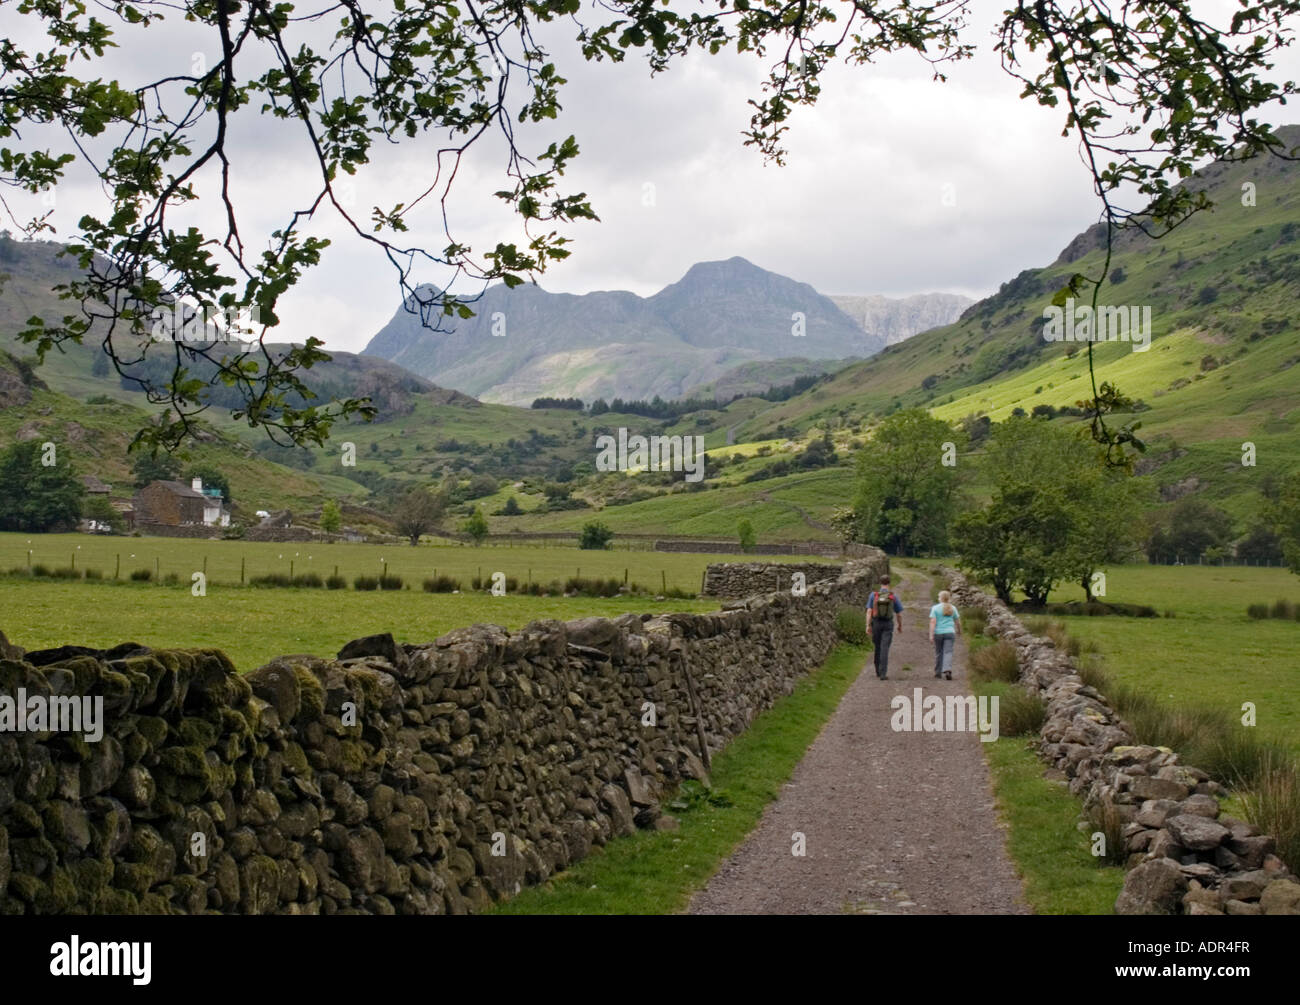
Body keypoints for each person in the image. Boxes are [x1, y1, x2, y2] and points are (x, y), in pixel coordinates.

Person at [866, 575, 903, 680]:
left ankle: (877, 670)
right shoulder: (892, 596)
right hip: (888, 624)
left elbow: (869, 611)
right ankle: (883, 673)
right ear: (889, 583)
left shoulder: (873, 595)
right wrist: (900, 626)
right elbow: (899, 613)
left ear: (880, 582)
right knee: (885, 648)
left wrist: (868, 625)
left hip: (876, 623)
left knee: (877, 647)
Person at [929, 590, 962, 680]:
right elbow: (958, 622)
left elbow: (932, 622)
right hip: (950, 632)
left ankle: (938, 672)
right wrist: (959, 631)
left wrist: (931, 635)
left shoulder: (935, 608)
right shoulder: (953, 608)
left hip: (938, 633)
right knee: (948, 652)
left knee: (939, 652)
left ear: (940, 598)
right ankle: (947, 669)